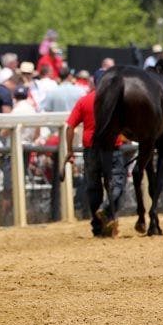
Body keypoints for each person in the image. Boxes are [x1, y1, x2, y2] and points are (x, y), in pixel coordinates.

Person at [65, 87, 128, 237]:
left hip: (90, 148)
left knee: (93, 187)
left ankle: (97, 228)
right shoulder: (116, 101)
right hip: (112, 147)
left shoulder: (83, 101)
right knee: (118, 181)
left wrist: (69, 150)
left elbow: (70, 127)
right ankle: (107, 210)